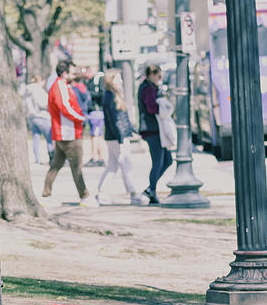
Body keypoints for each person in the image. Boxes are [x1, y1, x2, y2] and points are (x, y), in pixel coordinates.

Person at [42, 60, 92, 205]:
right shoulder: (60, 86)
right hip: (68, 133)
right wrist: (81, 118)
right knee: (76, 166)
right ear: (65, 73)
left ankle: (46, 193)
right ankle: (84, 195)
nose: (74, 75)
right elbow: (65, 108)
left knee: (56, 164)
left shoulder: (61, 85)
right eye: (72, 73)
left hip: (64, 132)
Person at [96, 69, 146, 206]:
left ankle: (102, 193)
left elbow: (122, 120)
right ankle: (133, 193)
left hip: (115, 137)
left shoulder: (113, 95)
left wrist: (133, 130)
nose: (121, 81)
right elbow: (115, 121)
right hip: (118, 138)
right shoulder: (111, 97)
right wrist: (121, 138)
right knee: (126, 165)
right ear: (111, 81)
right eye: (118, 79)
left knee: (113, 166)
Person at [137, 64, 173, 204]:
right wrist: (163, 106)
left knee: (167, 160)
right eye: (158, 76)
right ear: (152, 75)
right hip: (152, 129)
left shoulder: (149, 87)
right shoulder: (148, 88)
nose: (160, 79)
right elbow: (151, 108)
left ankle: (150, 189)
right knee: (158, 161)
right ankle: (151, 190)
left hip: (155, 129)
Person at [23, 75, 53, 164]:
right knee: (49, 138)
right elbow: (42, 103)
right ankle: (52, 156)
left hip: (32, 117)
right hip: (42, 116)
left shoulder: (27, 90)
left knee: (36, 138)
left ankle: (37, 158)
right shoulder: (38, 90)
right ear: (41, 81)